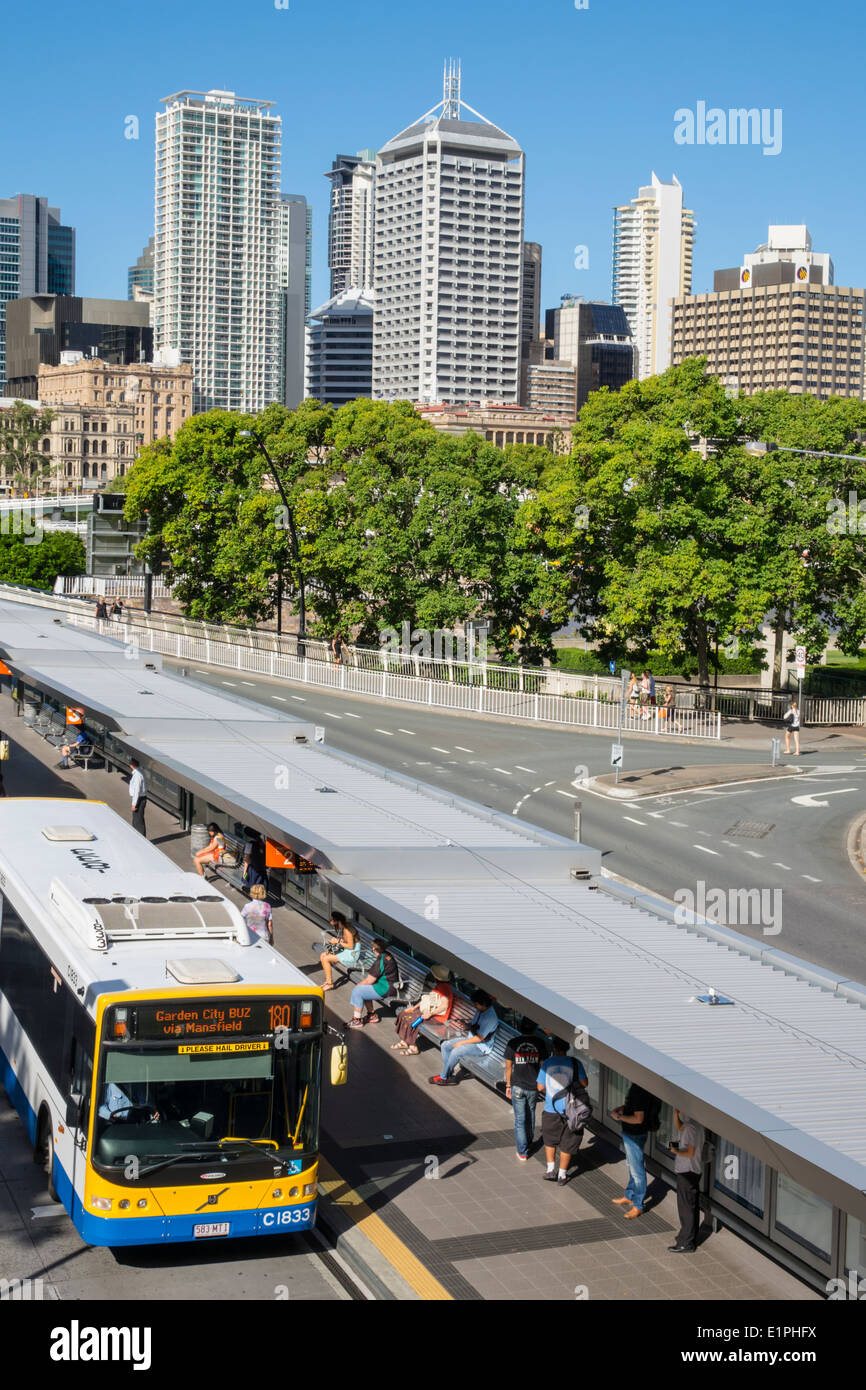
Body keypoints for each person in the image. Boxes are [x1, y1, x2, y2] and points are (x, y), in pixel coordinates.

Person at [536, 1037, 587, 1183]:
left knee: (550, 1140)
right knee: (569, 1142)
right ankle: (562, 1175)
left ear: (554, 1048)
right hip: (573, 1111)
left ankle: (550, 1170)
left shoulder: (547, 1063)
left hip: (551, 1109)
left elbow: (539, 1087)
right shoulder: (575, 1063)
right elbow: (584, 1083)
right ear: (567, 1048)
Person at [429, 989, 499, 1086]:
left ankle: (444, 1077)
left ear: (483, 1003)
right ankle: (450, 1075)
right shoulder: (481, 1009)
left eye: (476, 1004)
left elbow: (479, 1038)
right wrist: (466, 1026)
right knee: (445, 1045)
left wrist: (461, 1043)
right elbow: (474, 1026)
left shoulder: (490, 1017)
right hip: (471, 1039)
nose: (474, 1006)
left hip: (480, 1047)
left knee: (456, 1051)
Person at [504, 1018, 550, 1162]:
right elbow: (543, 1066)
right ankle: (529, 1142)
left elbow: (508, 1067)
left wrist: (508, 1085)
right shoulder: (540, 1043)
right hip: (533, 1086)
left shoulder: (513, 1043)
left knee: (519, 1119)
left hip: (517, 1085)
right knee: (530, 1114)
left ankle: (522, 1151)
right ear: (534, 1029)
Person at [610, 1079, 655, 1218]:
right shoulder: (638, 1087)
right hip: (631, 1133)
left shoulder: (639, 1091)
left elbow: (638, 1118)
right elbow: (634, 1108)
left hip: (635, 1134)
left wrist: (619, 1116)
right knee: (631, 1165)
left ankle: (638, 1205)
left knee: (637, 1170)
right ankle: (630, 1195)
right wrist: (623, 1108)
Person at [392, 965, 453, 1054]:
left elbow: (444, 1006)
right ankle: (404, 1041)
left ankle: (413, 1047)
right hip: (428, 1011)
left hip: (437, 1018)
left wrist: (430, 1014)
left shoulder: (445, 989)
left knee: (412, 1021)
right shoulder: (440, 986)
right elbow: (427, 999)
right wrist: (414, 1007)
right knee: (403, 1014)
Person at [668, 1109, 705, 1253]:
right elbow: (679, 1127)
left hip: (687, 1171)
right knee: (691, 1206)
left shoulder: (690, 1128)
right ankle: (691, 1238)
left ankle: (685, 1242)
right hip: (693, 1170)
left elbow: (689, 1152)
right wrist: (675, 1114)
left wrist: (675, 1151)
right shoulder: (696, 1125)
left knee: (686, 1208)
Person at [348, 938, 398, 1027]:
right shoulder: (387, 955)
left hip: (385, 988)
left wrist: (357, 987)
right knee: (364, 989)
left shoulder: (380, 961)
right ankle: (372, 1015)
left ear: (374, 949)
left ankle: (357, 1020)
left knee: (358, 991)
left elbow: (369, 980)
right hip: (389, 985)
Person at [319, 912, 361, 990]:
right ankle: (328, 980)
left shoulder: (347, 930)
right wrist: (337, 940)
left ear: (338, 921)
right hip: (348, 951)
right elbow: (346, 941)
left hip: (352, 954)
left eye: (332, 920)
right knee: (322, 955)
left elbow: (351, 946)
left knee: (326, 959)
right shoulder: (345, 926)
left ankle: (330, 984)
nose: (330, 922)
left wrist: (337, 941)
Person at [128, 757, 147, 835]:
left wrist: (134, 804)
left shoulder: (137, 775)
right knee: (137, 820)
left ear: (131, 765)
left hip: (139, 799)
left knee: (138, 821)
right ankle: (137, 837)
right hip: (140, 798)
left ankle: (141, 839)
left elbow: (137, 791)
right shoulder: (140, 772)